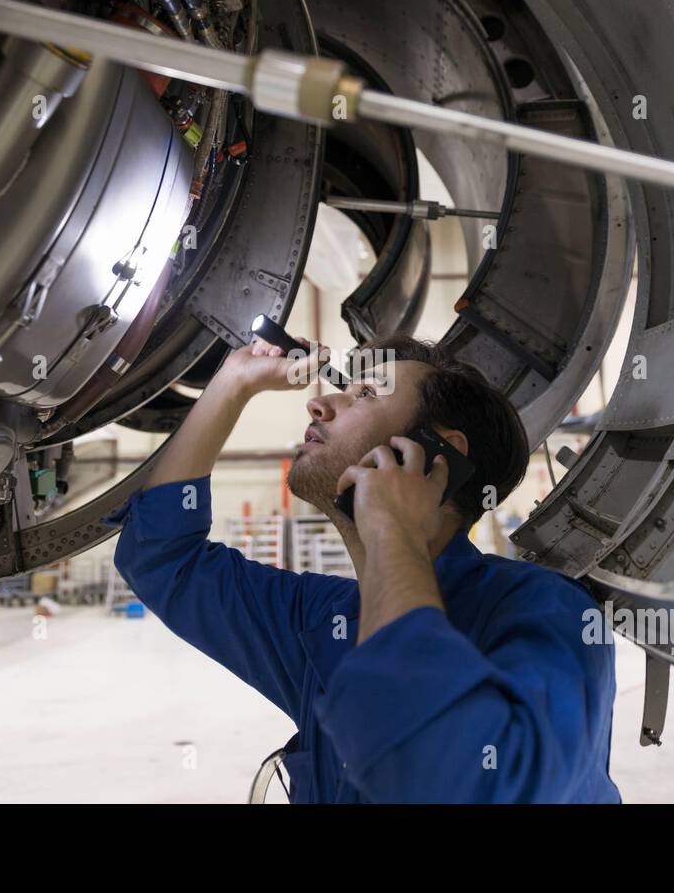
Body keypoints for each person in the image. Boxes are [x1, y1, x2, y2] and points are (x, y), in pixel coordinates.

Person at [104, 331, 621, 803]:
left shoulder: (548, 611)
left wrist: (392, 526)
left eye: (367, 394)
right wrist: (232, 384)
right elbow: (160, 557)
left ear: (434, 456)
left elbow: (449, 778)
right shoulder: (322, 620)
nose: (319, 403)